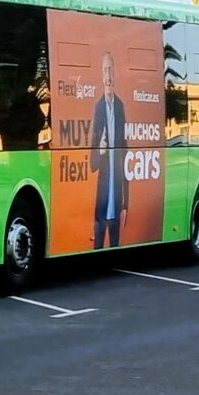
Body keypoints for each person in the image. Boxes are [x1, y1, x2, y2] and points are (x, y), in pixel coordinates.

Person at [91, 50, 128, 248]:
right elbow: (92, 164)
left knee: (115, 249)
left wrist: (126, 204)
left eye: (111, 70)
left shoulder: (121, 107)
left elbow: (126, 158)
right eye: (105, 70)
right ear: (101, 74)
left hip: (117, 199)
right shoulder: (98, 108)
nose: (108, 76)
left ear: (115, 73)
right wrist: (101, 150)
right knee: (97, 248)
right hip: (103, 200)